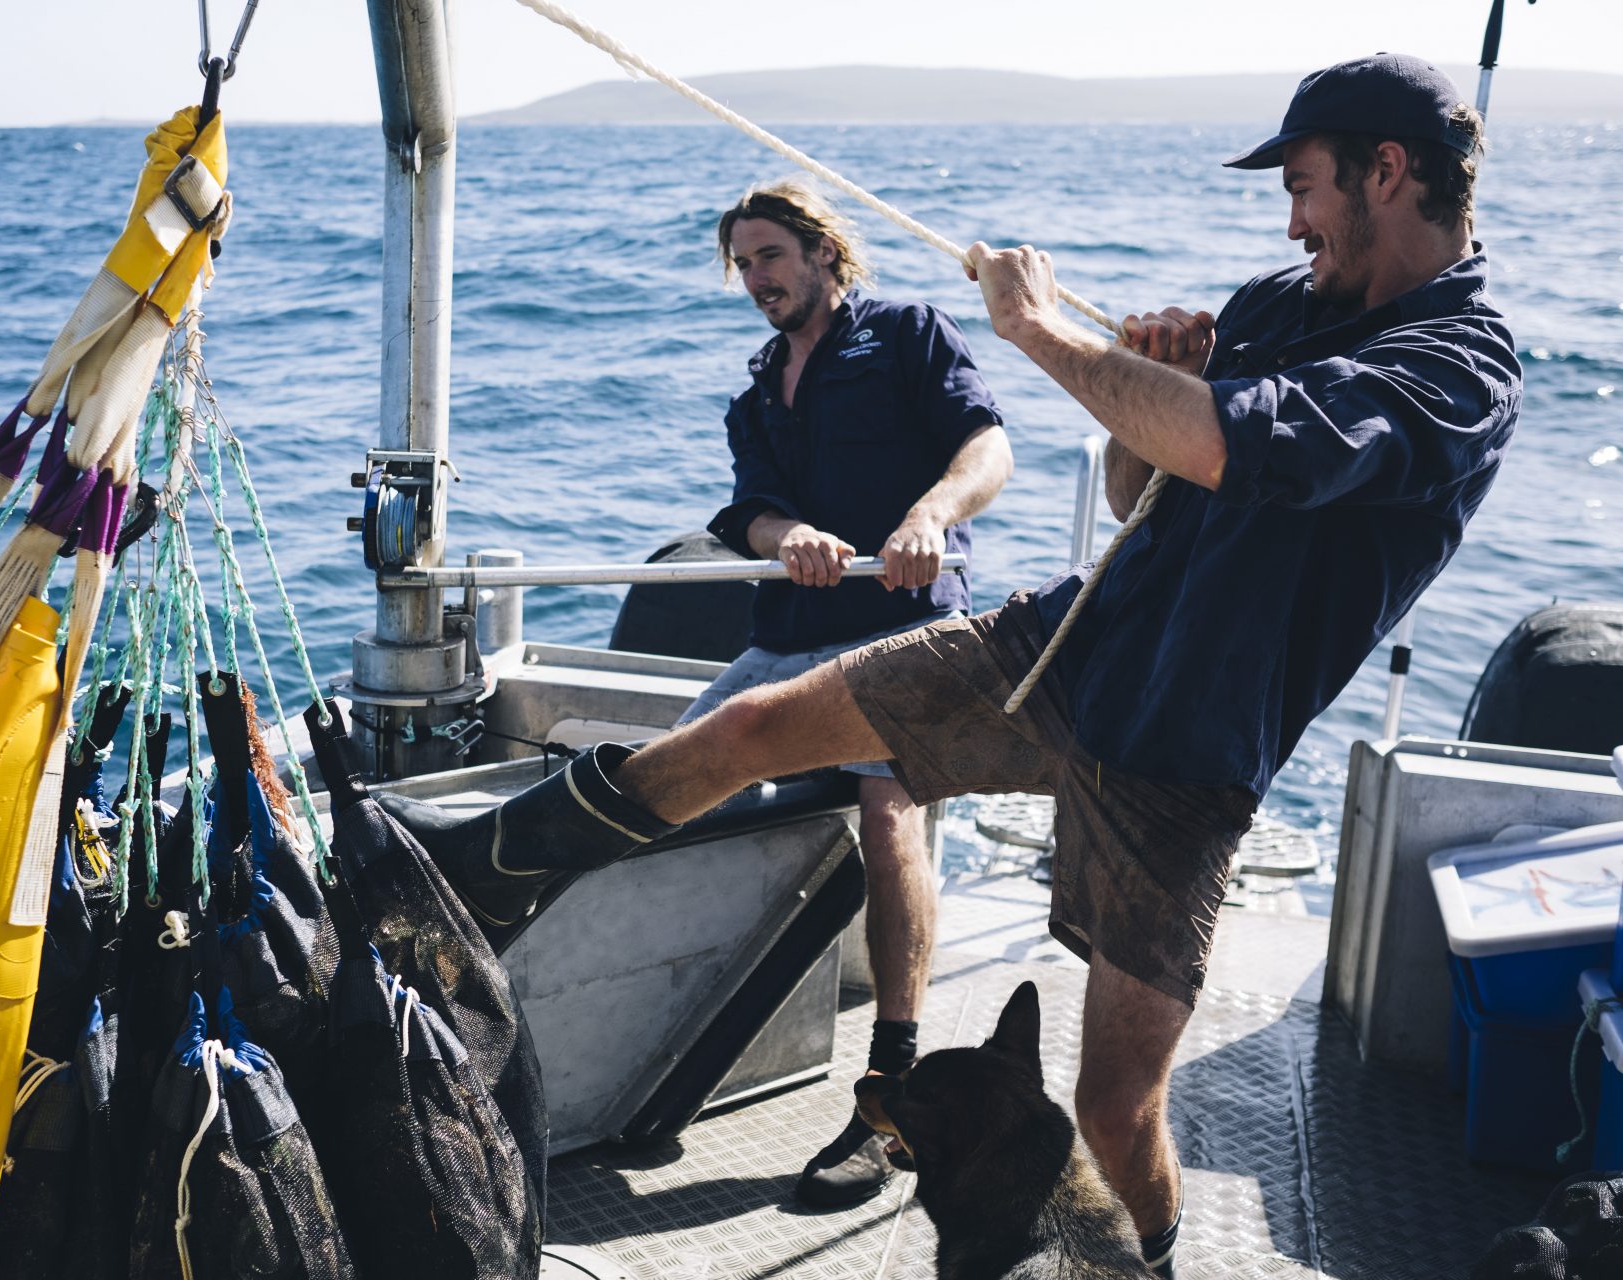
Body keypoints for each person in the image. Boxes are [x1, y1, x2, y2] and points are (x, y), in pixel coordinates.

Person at [388, 53, 1519, 1277]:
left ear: (1386, 172)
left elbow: (1233, 450)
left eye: (1302, 186)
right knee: (752, 724)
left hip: (1190, 748)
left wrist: (1038, 330)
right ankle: (481, 873)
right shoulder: (1280, 306)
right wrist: (1168, 383)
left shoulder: (1460, 367)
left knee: (1112, 1109)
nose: (1291, 222)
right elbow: (1138, 489)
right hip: (1065, 647)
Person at [685, 181, 1013, 1207]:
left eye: (771, 256)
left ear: (825, 251)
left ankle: (893, 1090)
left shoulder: (909, 334)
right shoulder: (755, 392)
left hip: (903, 629)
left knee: (888, 810)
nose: (756, 279)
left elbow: (989, 448)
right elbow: (748, 514)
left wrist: (929, 517)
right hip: (788, 637)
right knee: (665, 780)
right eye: (743, 263)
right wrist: (790, 536)